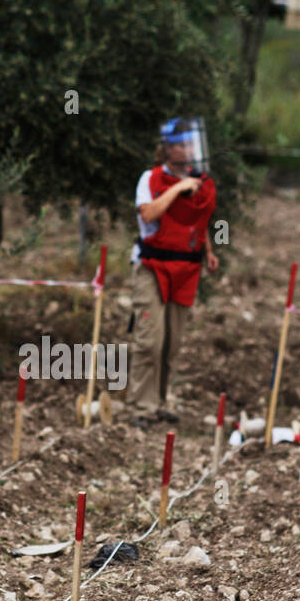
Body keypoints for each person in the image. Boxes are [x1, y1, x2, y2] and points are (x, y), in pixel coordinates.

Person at [128, 117, 219, 426]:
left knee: (172, 343)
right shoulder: (150, 179)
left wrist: (208, 250)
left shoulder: (202, 183)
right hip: (151, 268)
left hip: (186, 270)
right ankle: (141, 406)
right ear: (167, 149)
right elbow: (149, 213)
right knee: (149, 340)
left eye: (190, 143)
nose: (188, 149)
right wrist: (179, 188)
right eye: (181, 144)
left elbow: (197, 225)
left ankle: (160, 403)